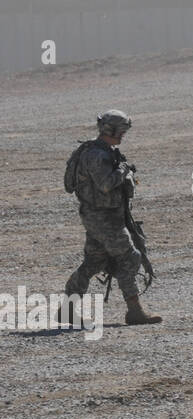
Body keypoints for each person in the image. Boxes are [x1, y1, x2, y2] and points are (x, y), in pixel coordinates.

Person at [61, 110, 161, 326]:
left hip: (99, 217)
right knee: (130, 257)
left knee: (94, 261)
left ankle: (67, 310)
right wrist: (124, 171)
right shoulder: (97, 155)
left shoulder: (99, 151)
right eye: (122, 130)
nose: (123, 135)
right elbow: (105, 184)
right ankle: (134, 311)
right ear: (111, 130)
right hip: (104, 219)